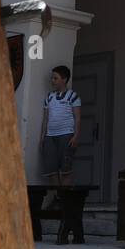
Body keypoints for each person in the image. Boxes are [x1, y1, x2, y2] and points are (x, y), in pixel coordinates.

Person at [39, 65, 82, 218]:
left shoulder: (73, 96)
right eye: (52, 78)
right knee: (51, 170)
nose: (53, 81)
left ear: (64, 79)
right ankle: (58, 196)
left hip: (67, 135)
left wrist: (76, 136)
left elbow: (77, 118)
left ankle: (67, 201)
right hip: (51, 136)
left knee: (65, 170)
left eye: (55, 78)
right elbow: (46, 118)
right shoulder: (49, 98)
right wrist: (43, 137)